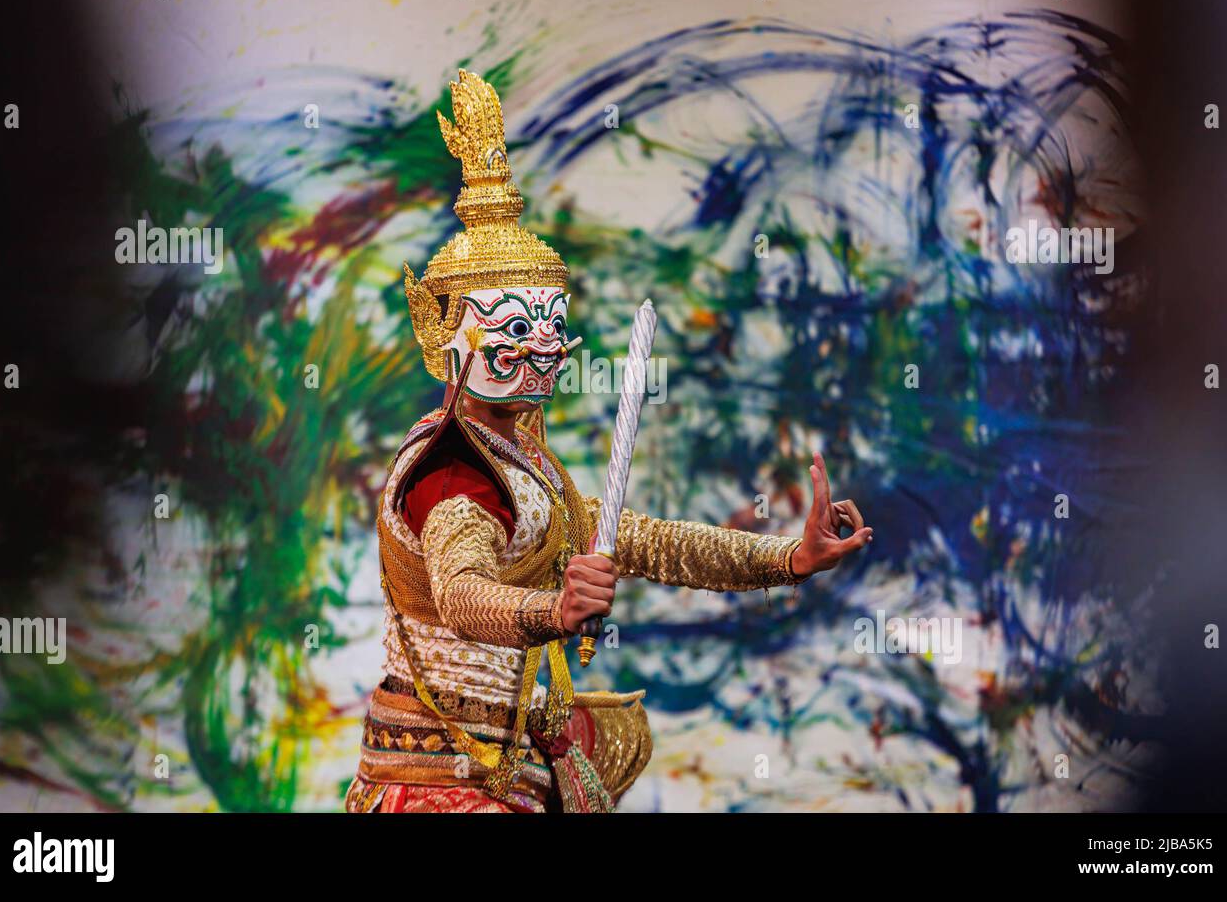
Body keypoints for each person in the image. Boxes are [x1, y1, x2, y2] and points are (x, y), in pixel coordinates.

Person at [345, 70, 872, 813]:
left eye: (553, 329)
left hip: (508, 758)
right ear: (446, 339)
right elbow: (463, 595)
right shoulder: (454, 473)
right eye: (514, 332)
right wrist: (552, 614)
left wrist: (789, 557)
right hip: (448, 783)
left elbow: (641, 541)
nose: (543, 350)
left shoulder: (518, 456)